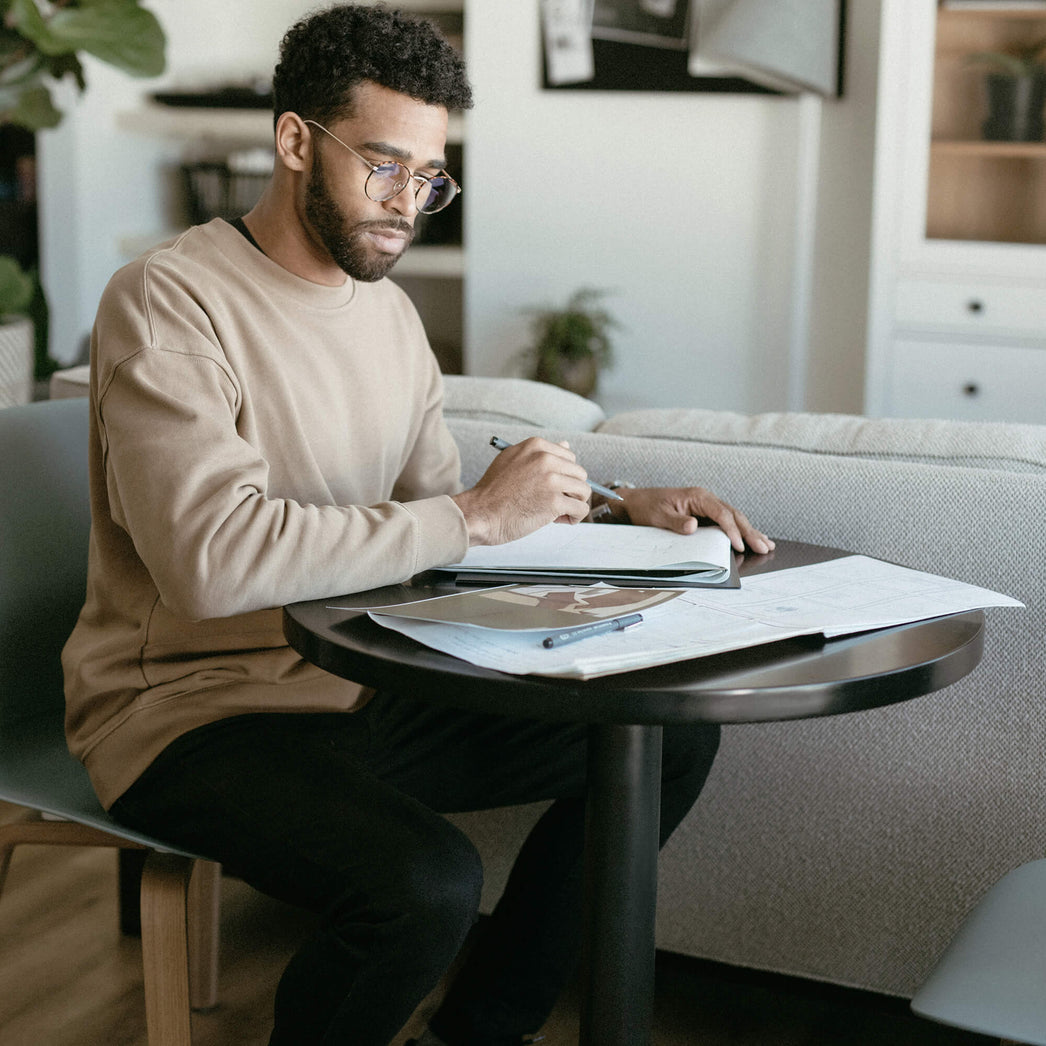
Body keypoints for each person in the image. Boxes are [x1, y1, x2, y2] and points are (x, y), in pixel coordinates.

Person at [61, 5, 774, 1045]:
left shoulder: (387, 316)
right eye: (384, 167)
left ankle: (478, 1028)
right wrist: (471, 516)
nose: (407, 205)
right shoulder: (170, 300)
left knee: (665, 740)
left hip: (357, 679)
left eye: (429, 178)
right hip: (189, 711)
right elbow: (210, 565)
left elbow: (446, 527)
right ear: (295, 139)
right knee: (423, 881)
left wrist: (616, 504)